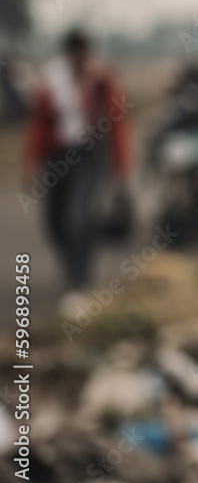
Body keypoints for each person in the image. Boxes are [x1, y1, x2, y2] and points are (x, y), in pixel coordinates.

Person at [22, 28, 133, 292]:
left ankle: (81, 273)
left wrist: (121, 166)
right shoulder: (51, 81)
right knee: (54, 220)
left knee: (79, 214)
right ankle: (70, 261)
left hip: (88, 156)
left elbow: (117, 124)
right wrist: (30, 163)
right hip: (56, 156)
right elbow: (39, 125)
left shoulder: (101, 81)